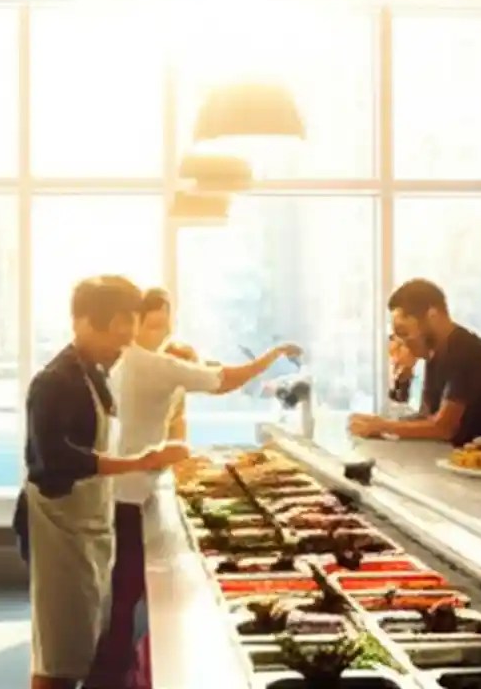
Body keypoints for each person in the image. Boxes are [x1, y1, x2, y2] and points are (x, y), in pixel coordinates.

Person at [89, 288, 302, 686]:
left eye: (165, 322)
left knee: (124, 586)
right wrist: (272, 357)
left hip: (126, 487)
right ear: (135, 324)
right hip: (131, 490)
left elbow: (205, 374)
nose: (160, 330)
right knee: (127, 586)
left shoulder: (134, 361)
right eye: (152, 323)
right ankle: (116, 670)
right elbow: (226, 381)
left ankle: (119, 665)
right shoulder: (150, 364)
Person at [15, 275, 191, 689]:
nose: (122, 347)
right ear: (82, 323)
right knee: (58, 654)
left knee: (82, 645)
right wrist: (139, 461)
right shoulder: (53, 382)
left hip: (89, 523)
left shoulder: (95, 373)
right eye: (117, 336)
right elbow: (54, 457)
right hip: (59, 526)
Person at [349, 279, 481, 447]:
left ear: (432, 316)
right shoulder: (436, 353)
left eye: (404, 332)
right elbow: (426, 418)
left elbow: (443, 428)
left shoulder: (466, 352)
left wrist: (382, 425)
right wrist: (403, 377)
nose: (402, 343)